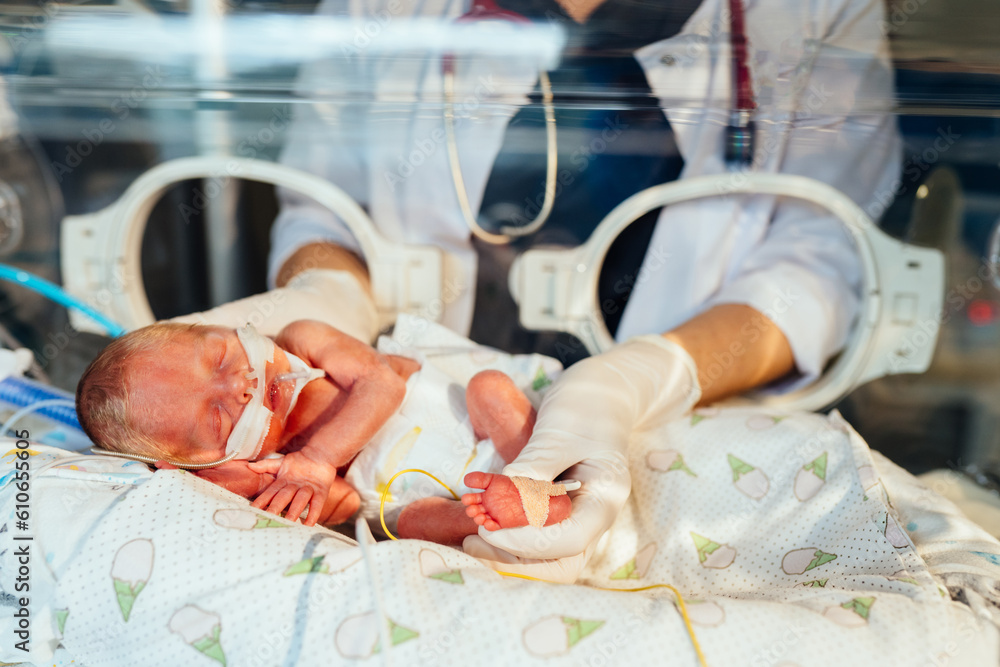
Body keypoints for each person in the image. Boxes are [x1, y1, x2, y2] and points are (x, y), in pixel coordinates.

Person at [173, 0, 902, 579]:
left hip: (674, 419)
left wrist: (638, 381)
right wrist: (327, 297)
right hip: (421, 397)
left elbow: (818, 263)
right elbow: (320, 202)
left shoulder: (806, 13)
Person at [75, 319, 573, 545]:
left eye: (222, 357)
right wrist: (243, 481)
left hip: (475, 427)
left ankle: (536, 477)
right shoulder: (278, 465)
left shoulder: (303, 342)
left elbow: (382, 384)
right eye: (218, 418)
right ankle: (506, 520)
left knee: (491, 389)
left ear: (224, 327)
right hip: (431, 495)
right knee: (413, 524)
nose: (242, 385)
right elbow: (343, 506)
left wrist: (318, 456)